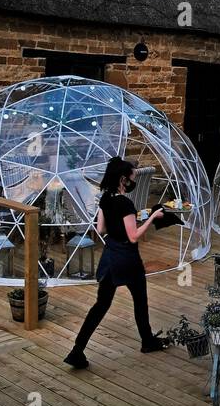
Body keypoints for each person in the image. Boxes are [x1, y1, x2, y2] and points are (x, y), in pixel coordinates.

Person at [65, 157, 167, 368]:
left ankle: (77, 350)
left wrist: (127, 220)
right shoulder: (125, 203)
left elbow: (101, 229)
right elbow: (133, 236)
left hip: (110, 257)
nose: (133, 180)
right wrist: (152, 217)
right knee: (140, 301)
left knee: (101, 305)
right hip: (128, 258)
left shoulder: (105, 198)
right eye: (132, 177)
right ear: (123, 179)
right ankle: (147, 341)